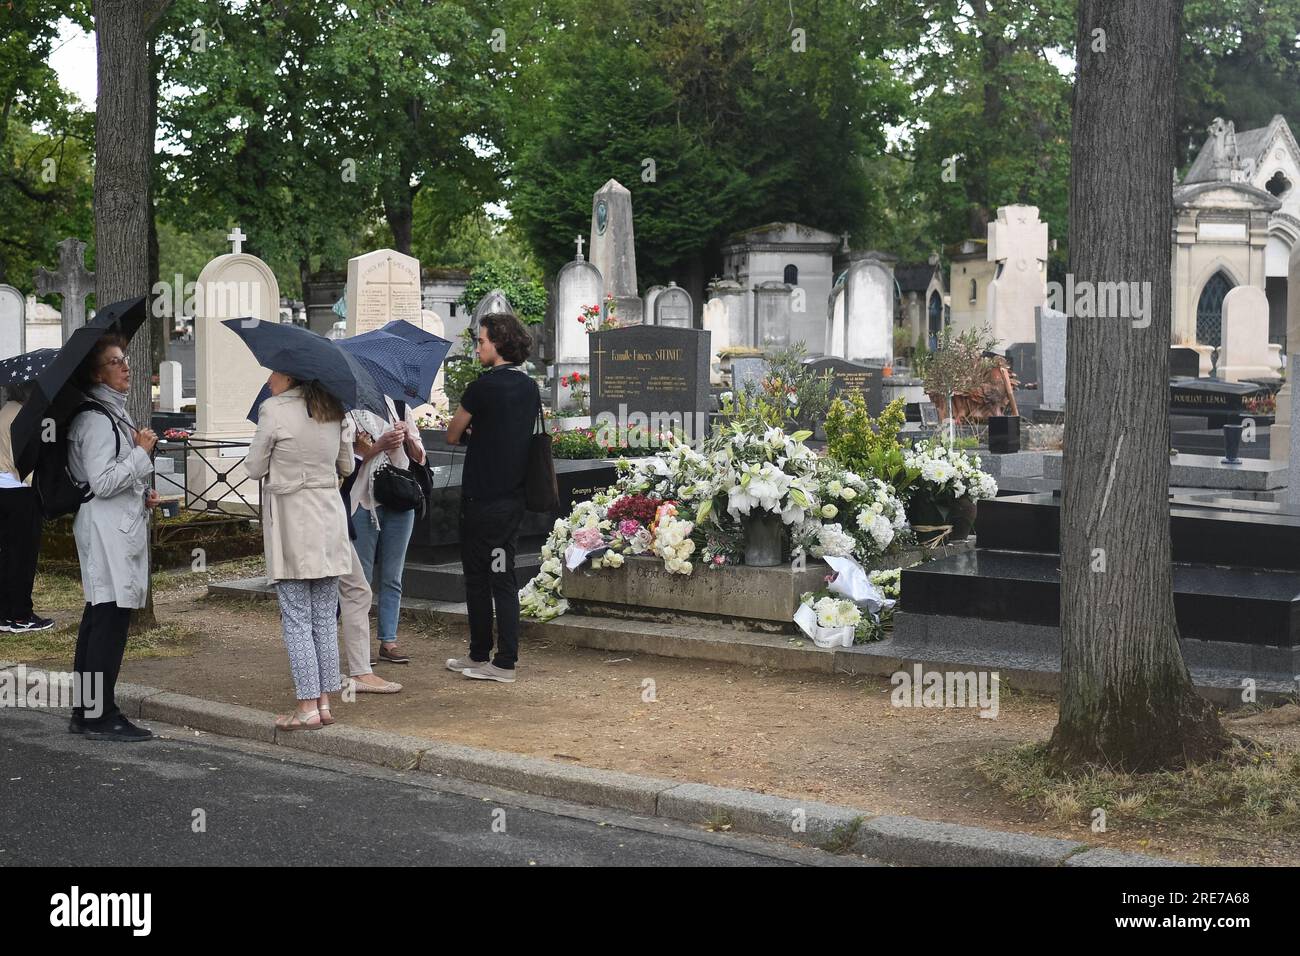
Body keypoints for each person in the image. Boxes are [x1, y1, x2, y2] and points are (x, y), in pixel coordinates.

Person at [244, 372, 354, 730]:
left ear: (288, 375)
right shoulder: (334, 408)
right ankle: (323, 702)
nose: (268, 378)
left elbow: (254, 467)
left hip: (293, 522)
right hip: (328, 517)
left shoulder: (273, 409)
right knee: (323, 617)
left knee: (296, 619)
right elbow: (347, 465)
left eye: (273, 372)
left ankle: (306, 705)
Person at [67, 335, 161, 741]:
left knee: (101, 615)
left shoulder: (110, 413)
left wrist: (142, 491)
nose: (126, 367)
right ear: (95, 372)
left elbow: (115, 479)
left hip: (113, 525)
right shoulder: (95, 419)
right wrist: (140, 454)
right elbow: (102, 482)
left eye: (124, 360)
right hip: (106, 531)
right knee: (107, 620)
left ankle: (87, 711)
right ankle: (99, 715)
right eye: (115, 362)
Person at [445, 312, 538, 683]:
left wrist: (475, 436)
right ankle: (502, 658)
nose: (478, 347)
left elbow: (453, 434)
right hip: (511, 501)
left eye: (481, 341)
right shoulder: (529, 388)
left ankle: (488, 657)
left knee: (478, 578)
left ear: (498, 343)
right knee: (503, 575)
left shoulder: (482, 387)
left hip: (481, 501)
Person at [347, 396, 426, 666]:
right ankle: (360, 645)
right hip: (362, 501)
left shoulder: (399, 406)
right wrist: (377, 446)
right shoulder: (349, 410)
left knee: (393, 575)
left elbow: (419, 457)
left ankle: (389, 640)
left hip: (400, 500)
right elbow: (345, 463)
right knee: (362, 578)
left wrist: (405, 438)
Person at [0, 383, 54, 634]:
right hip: (20, 488)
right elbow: (31, 454)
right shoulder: (24, 417)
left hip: (1, 488)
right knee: (23, 555)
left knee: (6, 554)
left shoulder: (3, 411)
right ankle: (21, 615)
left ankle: (4, 613)